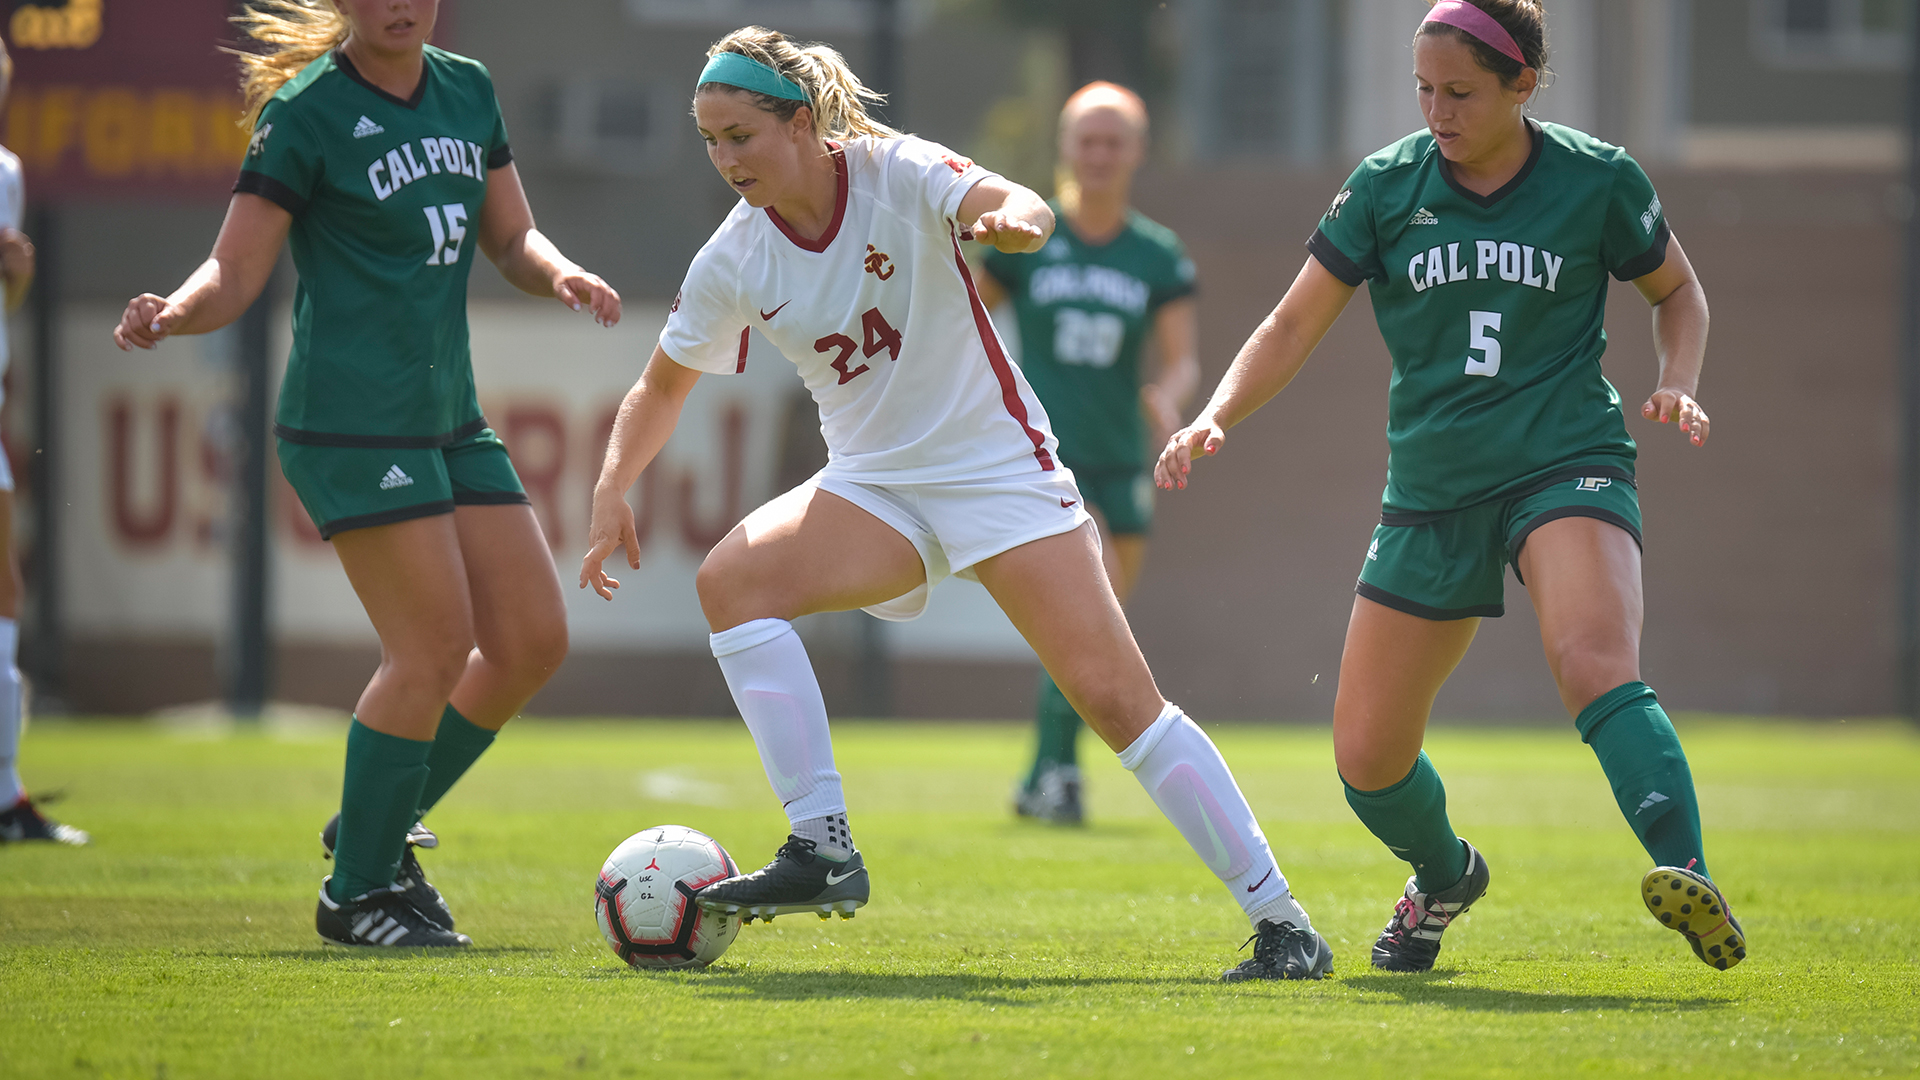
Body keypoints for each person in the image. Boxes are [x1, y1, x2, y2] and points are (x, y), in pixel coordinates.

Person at [581, 26, 1330, 981]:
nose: (726, 160)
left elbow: (1008, 201)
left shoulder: (895, 172)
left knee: (1118, 703)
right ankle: (821, 848)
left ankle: (1282, 922)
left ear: (802, 122)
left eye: (741, 135)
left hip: (998, 475)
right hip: (873, 488)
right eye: (711, 140)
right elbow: (658, 388)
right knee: (732, 582)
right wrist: (611, 485)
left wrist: (1015, 218)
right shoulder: (734, 256)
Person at [1159, 0, 1746, 973]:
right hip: (1433, 490)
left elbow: (1677, 290)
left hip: (1567, 459)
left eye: (1461, 92)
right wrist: (1217, 411)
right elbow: (1291, 324)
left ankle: (1688, 874)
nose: (1438, 110)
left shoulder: (1596, 180)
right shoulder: (1387, 187)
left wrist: (1676, 381)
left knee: (1594, 659)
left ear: (1523, 85)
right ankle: (1443, 876)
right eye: (1425, 89)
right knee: (1367, 762)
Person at [114, 0, 619, 948]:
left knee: (531, 640)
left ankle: (374, 827)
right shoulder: (304, 111)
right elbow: (232, 269)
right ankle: (357, 894)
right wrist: (174, 312)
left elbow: (511, 240)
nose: (399, 4)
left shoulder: (468, 88)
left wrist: (559, 272)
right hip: (349, 421)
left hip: (446, 417)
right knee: (430, 648)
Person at [975, 82, 1199, 826]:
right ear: (1066, 145)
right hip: (1048, 461)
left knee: (1098, 637)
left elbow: (1182, 360)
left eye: (1115, 141)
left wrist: (1167, 398)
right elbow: (966, 319)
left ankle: (1040, 777)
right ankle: (1060, 776)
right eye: (1087, 139)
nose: (1100, 154)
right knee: (1084, 618)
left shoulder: (1157, 253)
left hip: (1121, 458)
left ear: (1136, 151)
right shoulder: (1027, 239)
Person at [0, 39, 84, 847]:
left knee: (6, 594)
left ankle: (4, 790)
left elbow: (7, 300)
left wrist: (15, 274)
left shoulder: (9, 172)